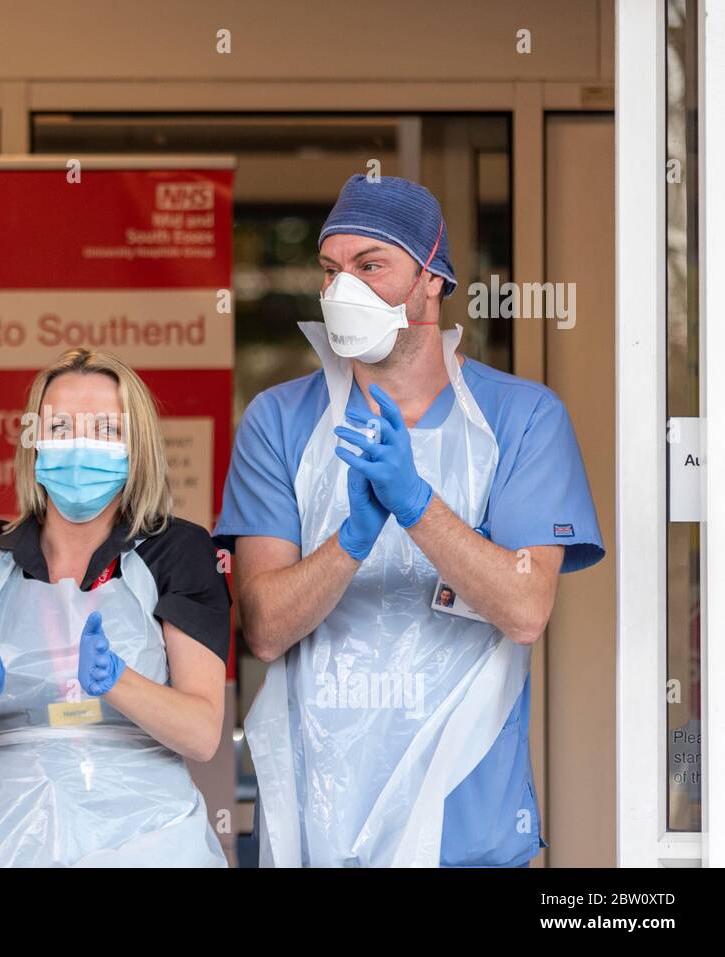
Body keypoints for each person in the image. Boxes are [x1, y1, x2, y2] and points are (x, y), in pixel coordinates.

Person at [215, 175, 605, 868]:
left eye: (371, 266)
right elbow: (266, 628)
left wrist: (418, 505)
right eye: (331, 271)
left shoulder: (522, 420)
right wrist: (352, 541)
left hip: (466, 822)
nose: (345, 291)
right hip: (317, 822)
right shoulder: (278, 421)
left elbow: (524, 607)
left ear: (433, 278)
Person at [0, 348, 231, 867]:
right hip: (5, 841)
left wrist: (118, 682)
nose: (80, 447)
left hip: (150, 842)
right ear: (33, 441)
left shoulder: (178, 551)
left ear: (137, 447)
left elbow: (202, 735)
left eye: (105, 429)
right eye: (61, 426)